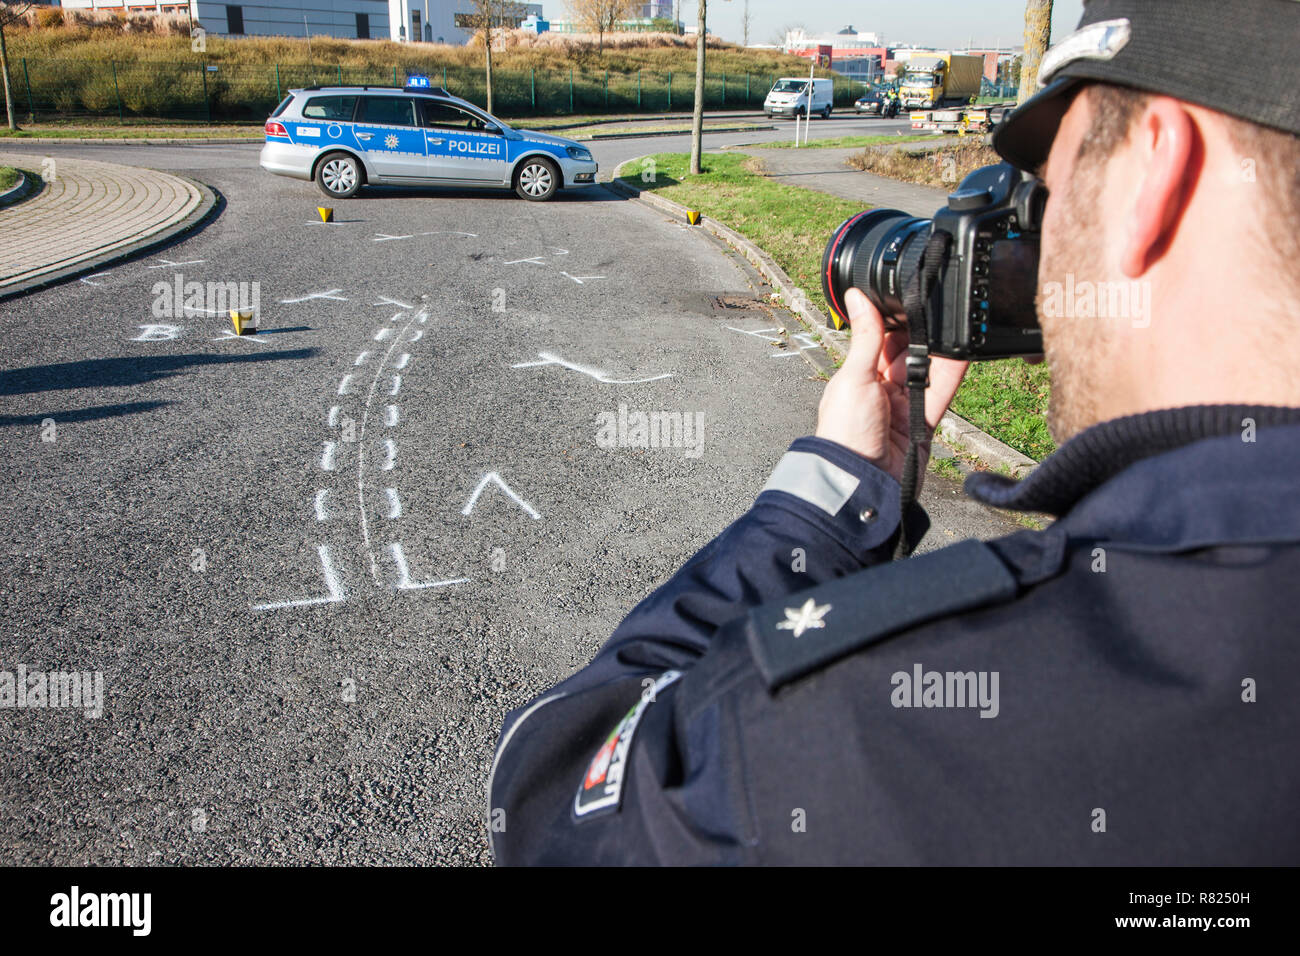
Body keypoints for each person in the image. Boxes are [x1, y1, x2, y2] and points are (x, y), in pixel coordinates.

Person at [488, 0, 1300, 864]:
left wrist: (819, 505)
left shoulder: (852, 727)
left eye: (1057, 192)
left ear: (1151, 176)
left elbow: (549, 794)